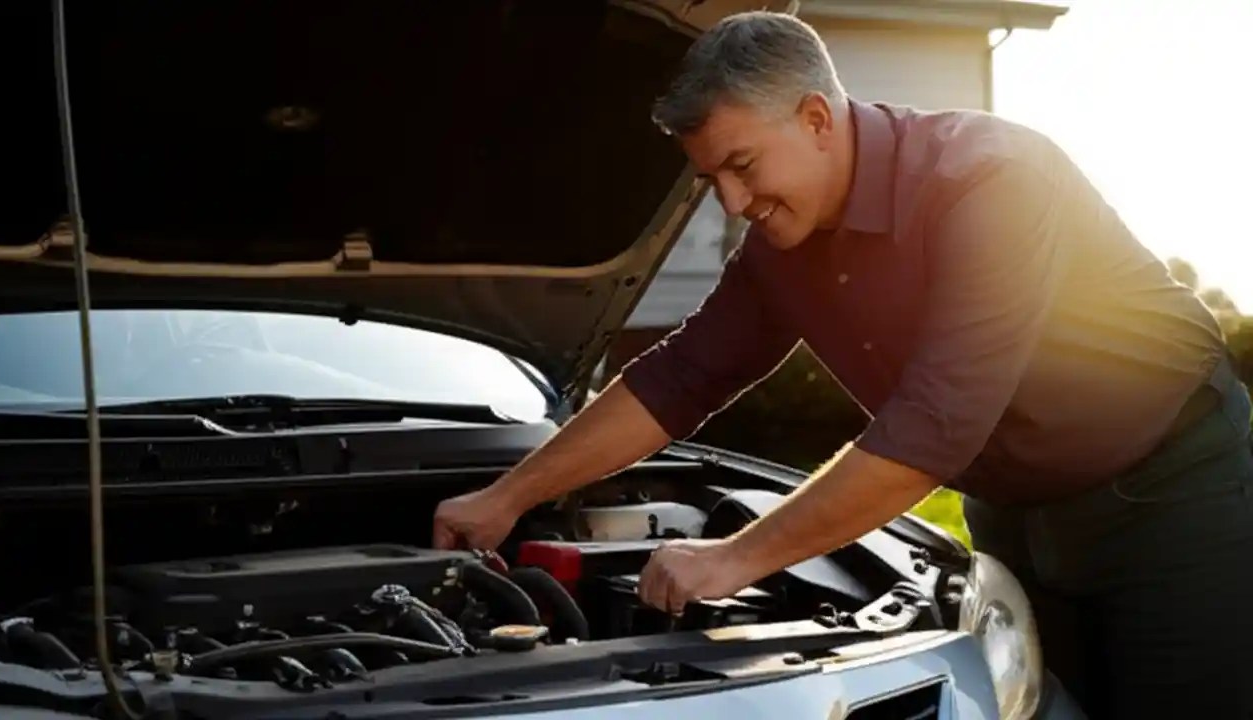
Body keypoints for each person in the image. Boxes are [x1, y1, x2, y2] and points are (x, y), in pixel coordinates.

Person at [433, 11, 1253, 718]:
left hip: (1172, 494)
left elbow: (934, 426)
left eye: (742, 166)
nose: (729, 201)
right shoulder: (780, 249)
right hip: (1016, 515)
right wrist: (507, 497)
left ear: (819, 118)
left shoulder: (990, 180)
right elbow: (680, 377)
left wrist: (736, 557)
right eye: (710, 177)